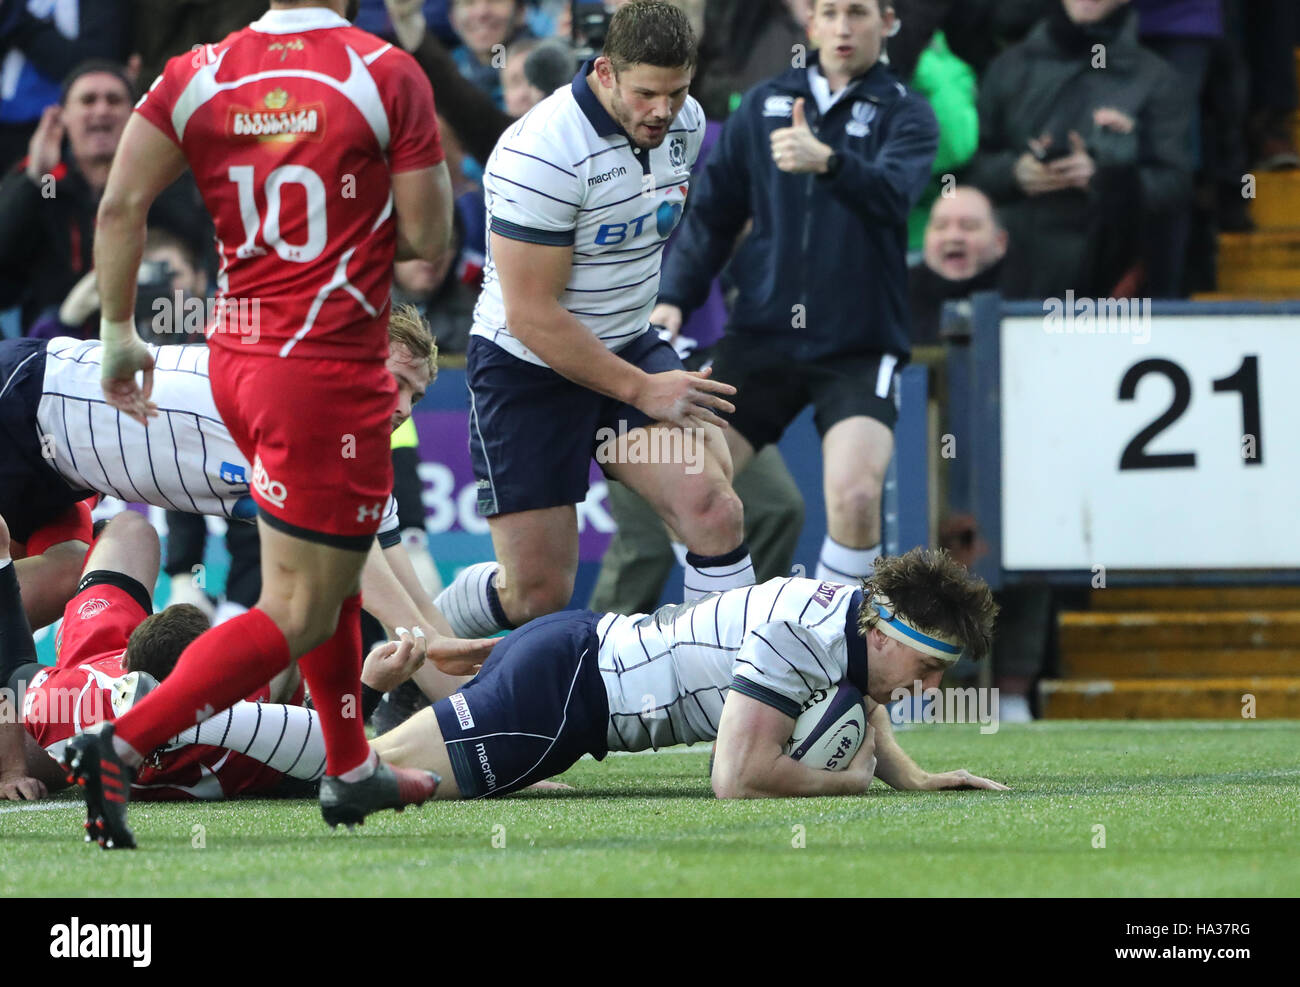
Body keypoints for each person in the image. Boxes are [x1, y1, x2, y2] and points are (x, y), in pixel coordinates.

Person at [61, 0, 486, 850]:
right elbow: (430, 238)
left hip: (239, 360)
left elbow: (119, 206)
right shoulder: (383, 70)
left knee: (319, 575)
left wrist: (116, 334)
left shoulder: (197, 72)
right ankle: (120, 742)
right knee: (295, 606)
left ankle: (350, 765)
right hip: (326, 368)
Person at [432, 1, 754, 643]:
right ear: (604, 72)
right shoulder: (543, 152)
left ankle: (730, 703)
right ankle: (422, 632)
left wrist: (649, 360)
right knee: (536, 594)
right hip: (530, 369)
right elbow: (532, 317)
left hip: (630, 343)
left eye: (677, 90)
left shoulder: (685, 123)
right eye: (646, 93)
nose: (662, 110)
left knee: (714, 512)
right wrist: (644, 389)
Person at [653, 0, 938, 589]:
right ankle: (723, 634)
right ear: (809, 24)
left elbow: (894, 198)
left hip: (859, 341)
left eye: (858, 12)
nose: (842, 26)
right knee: (688, 481)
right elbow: (712, 215)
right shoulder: (762, 104)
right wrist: (676, 294)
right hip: (763, 333)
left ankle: (837, 658)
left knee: (858, 497)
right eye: (829, 12)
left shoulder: (907, 112)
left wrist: (830, 162)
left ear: (888, 23)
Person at [372, 548, 1008, 798]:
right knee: (366, 775)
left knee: (372, 768)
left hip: (571, 662)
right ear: (881, 633)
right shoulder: (800, 637)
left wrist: (915, 779)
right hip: (558, 695)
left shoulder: (849, 613)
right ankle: (351, 694)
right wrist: (853, 782)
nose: (928, 690)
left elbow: (859, 694)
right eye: (927, 668)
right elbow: (738, 780)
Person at [963, 0, 1193, 299]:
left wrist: (1105, 178)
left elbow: (1175, 185)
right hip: (1014, 278)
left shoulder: (1157, 78)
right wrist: (1014, 173)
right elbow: (968, 170)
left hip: (1111, 282)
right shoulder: (1009, 67)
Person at [907, 185, 1007, 346]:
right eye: (940, 226)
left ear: (1000, 242)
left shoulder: (1028, 290)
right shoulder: (895, 295)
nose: (953, 237)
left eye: (969, 226)